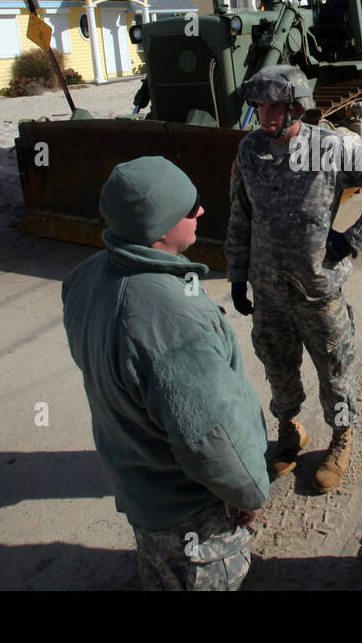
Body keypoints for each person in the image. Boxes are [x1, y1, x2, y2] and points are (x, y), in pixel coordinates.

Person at [62, 157, 269, 590]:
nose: (201, 212)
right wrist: (248, 492)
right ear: (160, 225)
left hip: (141, 491)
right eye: (190, 207)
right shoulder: (171, 321)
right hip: (192, 512)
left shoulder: (85, 278)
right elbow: (211, 437)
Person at [225, 65, 362, 493]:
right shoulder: (249, 151)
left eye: (275, 107)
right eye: (260, 106)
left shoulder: (331, 147)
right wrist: (237, 274)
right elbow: (239, 214)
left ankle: (341, 439)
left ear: (296, 108)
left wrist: (353, 240)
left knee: (334, 371)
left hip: (318, 290)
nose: (266, 115)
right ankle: (290, 431)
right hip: (269, 292)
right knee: (278, 367)